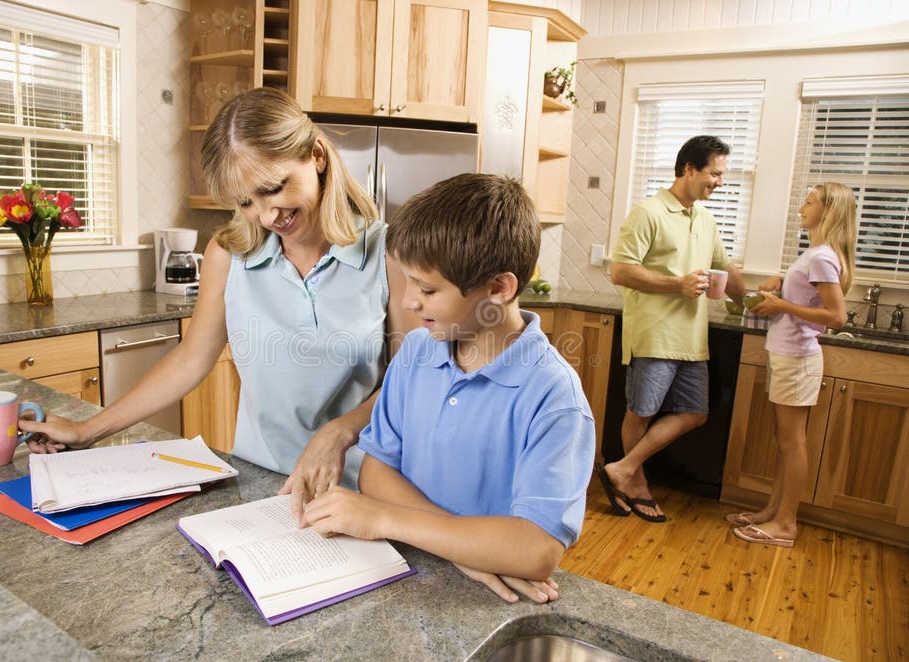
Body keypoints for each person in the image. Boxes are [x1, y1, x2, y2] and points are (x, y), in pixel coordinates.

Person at [20, 87, 416, 520]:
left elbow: (410, 377)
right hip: (260, 487)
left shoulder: (387, 253)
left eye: (273, 188)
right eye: (246, 202)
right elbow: (192, 358)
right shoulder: (229, 256)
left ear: (317, 156)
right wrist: (86, 430)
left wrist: (341, 431)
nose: (267, 217)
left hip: (362, 493)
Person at [301, 173, 596, 604]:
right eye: (407, 282)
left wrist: (386, 518)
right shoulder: (417, 353)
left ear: (498, 288)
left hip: (490, 604)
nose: (407, 302)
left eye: (428, 289)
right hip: (409, 574)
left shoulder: (553, 397)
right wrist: (460, 547)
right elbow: (376, 470)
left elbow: (535, 550)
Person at [597, 135, 745, 522]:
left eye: (722, 174)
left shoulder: (706, 218)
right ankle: (636, 484)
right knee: (641, 414)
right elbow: (620, 271)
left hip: (692, 339)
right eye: (715, 173)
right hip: (654, 333)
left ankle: (623, 468)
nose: (719, 181)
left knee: (696, 413)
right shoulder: (648, 213)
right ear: (689, 168)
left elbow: (726, 268)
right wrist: (676, 283)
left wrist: (756, 302)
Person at [728, 183, 854, 547]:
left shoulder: (821, 256)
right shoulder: (815, 253)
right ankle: (772, 510)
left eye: (810, 202)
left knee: (792, 442)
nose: (801, 208)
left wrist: (781, 306)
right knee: (785, 442)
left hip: (798, 357)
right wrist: (780, 283)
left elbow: (836, 316)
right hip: (787, 356)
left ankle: (786, 524)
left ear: (827, 211)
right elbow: (808, 290)